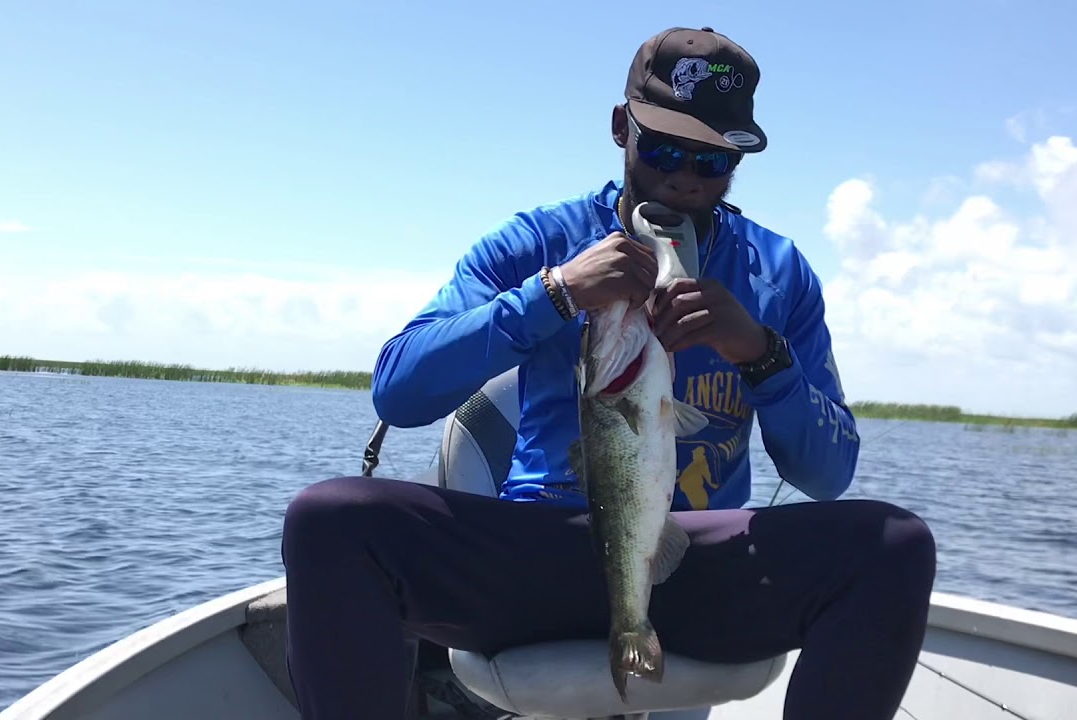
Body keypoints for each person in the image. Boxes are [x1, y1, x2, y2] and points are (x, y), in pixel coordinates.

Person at [281, 26, 936, 720]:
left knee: (894, 546)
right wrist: (554, 294)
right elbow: (399, 388)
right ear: (622, 128)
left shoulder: (777, 274)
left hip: (699, 568)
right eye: (662, 148)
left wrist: (759, 352)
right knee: (331, 521)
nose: (685, 176)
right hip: (542, 555)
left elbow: (828, 475)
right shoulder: (536, 242)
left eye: (713, 160)